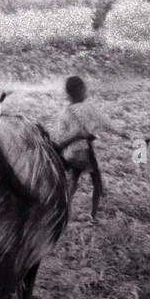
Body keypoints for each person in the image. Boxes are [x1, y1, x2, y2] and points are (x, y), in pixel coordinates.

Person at [54, 75, 126, 222]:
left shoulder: (65, 112)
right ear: (82, 90)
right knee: (97, 183)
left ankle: (62, 210)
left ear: (68, 94)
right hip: (88, 154)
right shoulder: (90, 107)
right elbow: (106, 122)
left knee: (73, 181)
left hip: (72, 154)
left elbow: (61, 136)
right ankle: (93, 216)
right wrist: (121, 132)